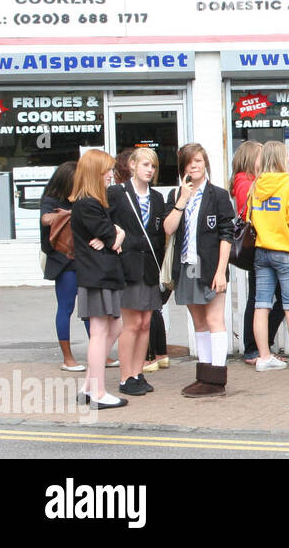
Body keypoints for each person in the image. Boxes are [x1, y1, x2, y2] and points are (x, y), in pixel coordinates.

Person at [164, 143, 235, 397]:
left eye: (198, 161)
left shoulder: (218, 195)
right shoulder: (176, 195)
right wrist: (182, 199)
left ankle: (217, 378)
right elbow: (168, 228)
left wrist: (220, 271)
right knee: (199, 322)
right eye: (189, 162)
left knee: (215, 320)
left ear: (205, 163)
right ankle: (205, 375)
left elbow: (227, 235)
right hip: (186, 265)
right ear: (183, 167)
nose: (194, 166)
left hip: (210, 266)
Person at [70, 149, 128, 409]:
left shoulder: (93, 202)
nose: (110, 175)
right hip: (97, 275)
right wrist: (116, 235)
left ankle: (88, 387)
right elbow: (112, 239)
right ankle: (98, 392)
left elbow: (113, 237)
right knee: (101, 331)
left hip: (102, 274)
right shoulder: (88, 204)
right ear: (94, 172)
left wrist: (116, 234)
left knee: (113, 327)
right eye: (106, 170)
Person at [108, 147, 167, 397]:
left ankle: (138, 372)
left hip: (151, 266)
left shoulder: (157, 198)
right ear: (132, 165)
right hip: (128, 265)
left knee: (145, 323)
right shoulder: (117, 193)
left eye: (152, 166)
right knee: (130, 324)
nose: (149, 170)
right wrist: (112, 239)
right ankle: (125, 377)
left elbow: (159, 234)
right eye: (145, 165)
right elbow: (103, 220)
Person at [249, 141, 289, 373]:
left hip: (261, 250)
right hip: (286, 251)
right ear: (282, 159)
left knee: (261, 305)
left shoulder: (257, 186)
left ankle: (263, 357)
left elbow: (249, 218)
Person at [230, 141, 284, 365]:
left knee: (264, 299)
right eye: (260, 155)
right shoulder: (245, 183)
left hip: (262, 245)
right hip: (259, 246)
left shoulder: (248, 181)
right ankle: (254, 348)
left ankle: (260, 346)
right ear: (251, 157)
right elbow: (252, 213)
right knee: (264, 299)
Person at [41, 161, 93, 372]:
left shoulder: (83, 198)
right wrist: (67, 214)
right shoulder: (51, 200)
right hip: (63, 261)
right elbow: (45, 219)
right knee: (66, 307)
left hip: (85, 260)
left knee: (91, 309)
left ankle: (98, 353)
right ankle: (67, 358)